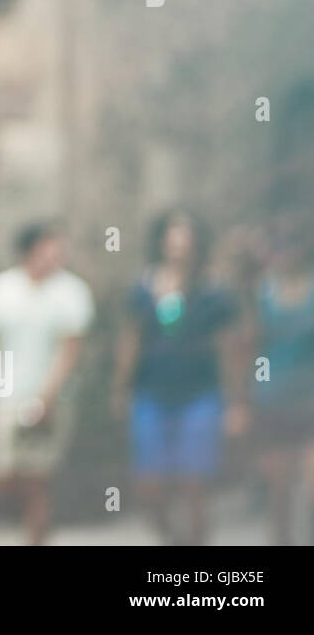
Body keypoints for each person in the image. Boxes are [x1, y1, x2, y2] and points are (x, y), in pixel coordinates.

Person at [111, 209, 245, 545]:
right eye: (173, 234)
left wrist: (237, 403)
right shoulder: (143, 288)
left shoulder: (214, 292)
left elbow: (231, 349)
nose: (179, 243)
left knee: (194, 483)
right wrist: (121, 387)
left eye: (186, 235)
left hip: (199, 393)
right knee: (149, 485)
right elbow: (131, 340)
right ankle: (173, 537)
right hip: (151, 393)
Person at [0, 222, 94, 544]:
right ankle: (33, 522)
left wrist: (47, 399)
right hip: (5, 397)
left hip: (52, 398)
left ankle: (36, 535)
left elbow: (70, 351)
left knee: (39, 478)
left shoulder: (72, 292)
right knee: (4, 478)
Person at [250, 215, 314, 545]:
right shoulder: (261, 291)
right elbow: (245, 345)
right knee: (280, 490)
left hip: (310, 400)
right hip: (272, 399)